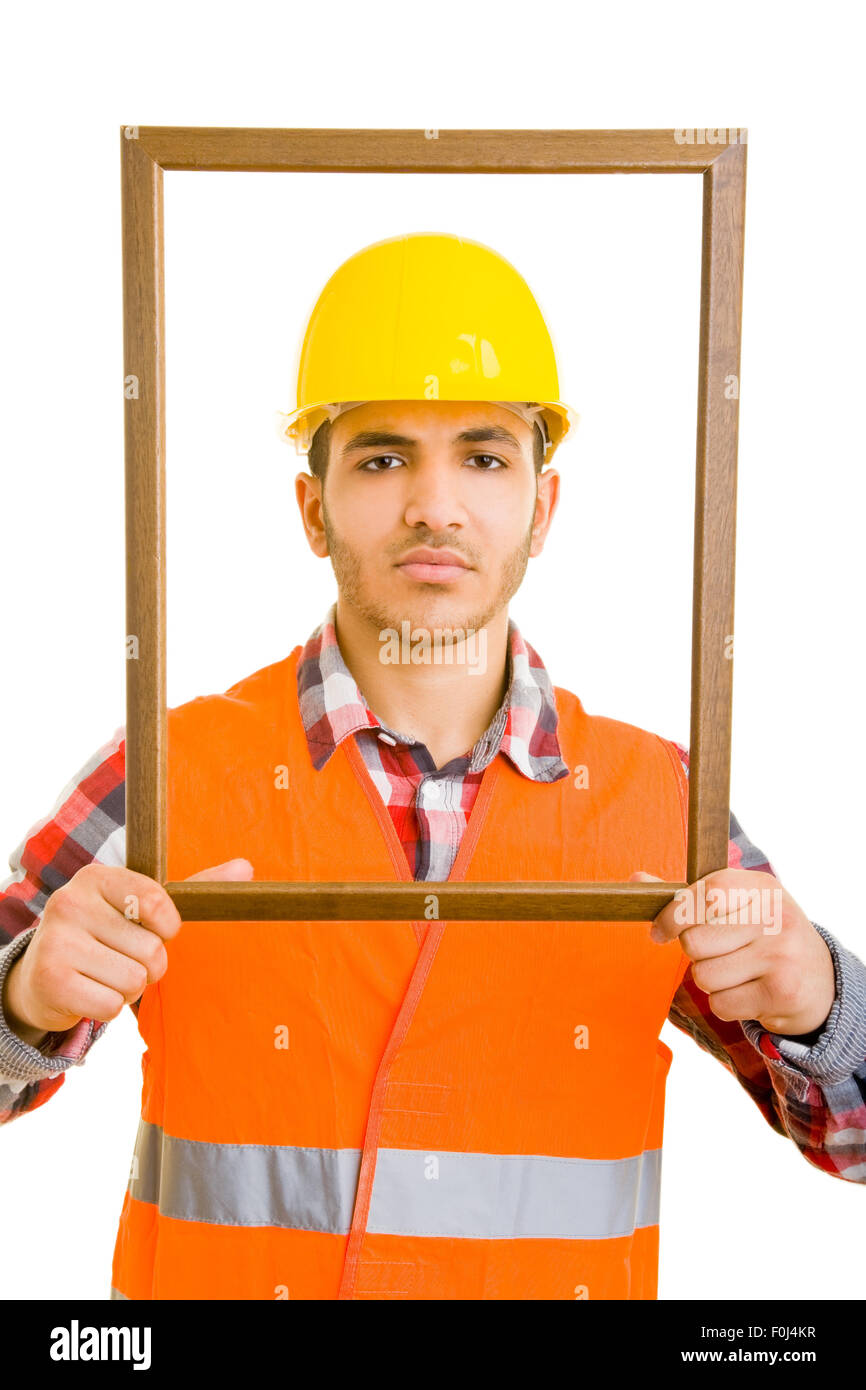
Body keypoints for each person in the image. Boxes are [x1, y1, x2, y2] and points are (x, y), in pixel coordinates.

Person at [1, 233, 864, 1302]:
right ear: (312, 510)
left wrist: (822, 1002)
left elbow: (854, 1142)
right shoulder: (166, 774)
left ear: (542, 509)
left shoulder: (663, 803)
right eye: (382, 458)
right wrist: (22, 996)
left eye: (484, 456)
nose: (435, 506)